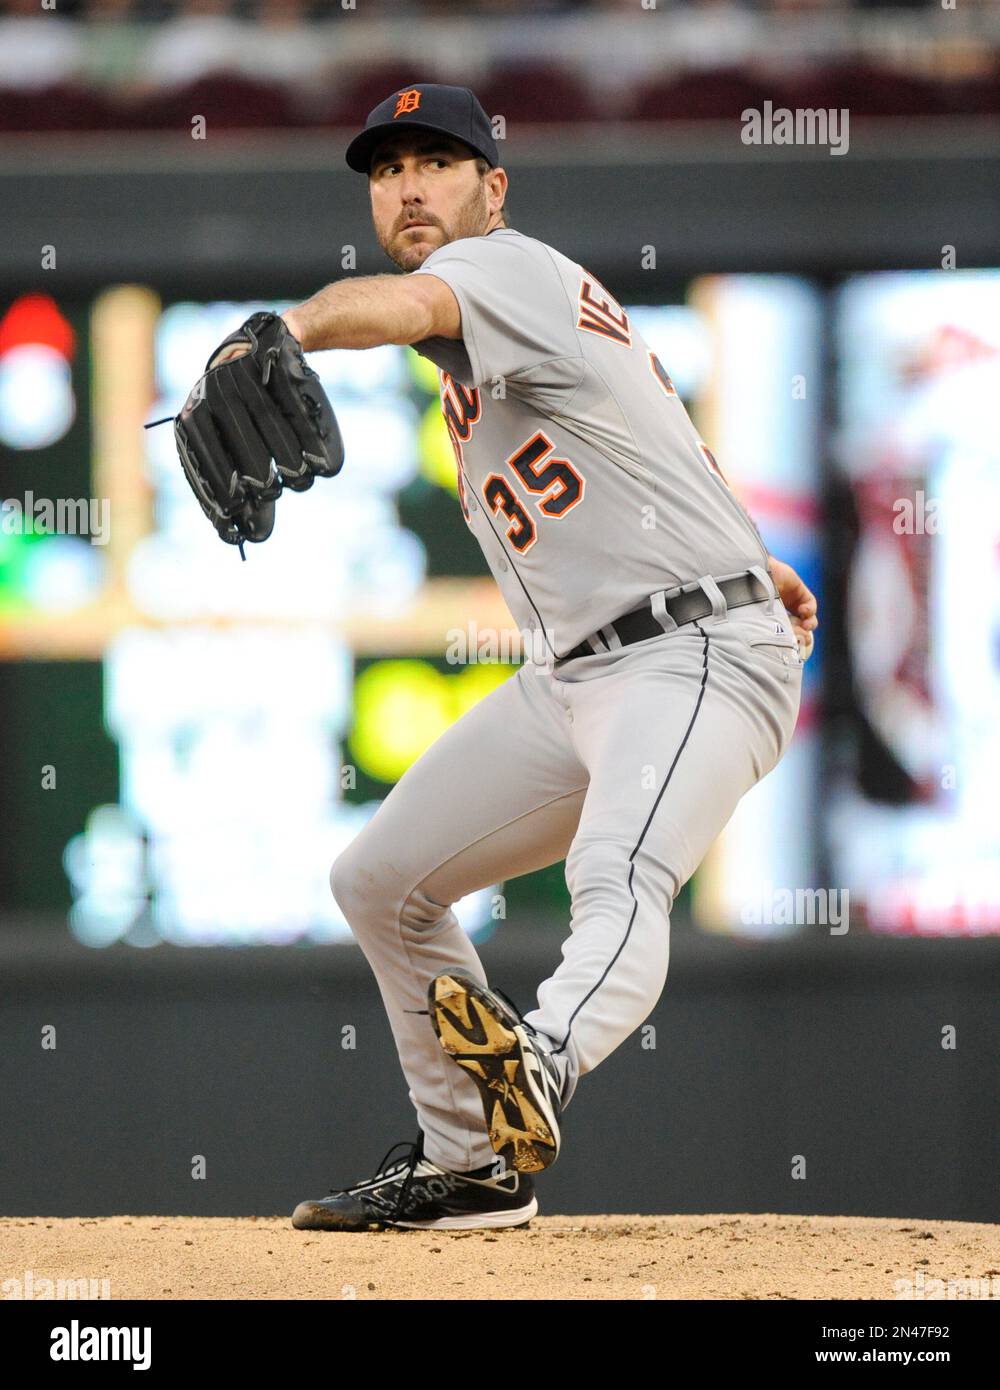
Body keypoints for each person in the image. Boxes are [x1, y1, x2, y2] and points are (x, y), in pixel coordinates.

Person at [287, 83, 818, 1232]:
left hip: (691, 655)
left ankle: (544, 1056)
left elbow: (392, 305)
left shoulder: (501, 270)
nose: (410, 184)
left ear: (494, 189)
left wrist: (289, 329)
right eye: (386, 170)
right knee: (380, 882)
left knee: (615, 876)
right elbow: (643, 429)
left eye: (436, 161)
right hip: (581, 673)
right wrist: (753, 551)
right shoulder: (499, 332)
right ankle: (470, 1160)